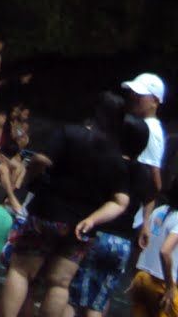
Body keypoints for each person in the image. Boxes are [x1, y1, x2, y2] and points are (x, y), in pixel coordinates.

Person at [0, 91, 133, 317]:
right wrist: (92, 219)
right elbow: (121, 201)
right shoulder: (116, 157)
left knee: (21, 271)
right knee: (59, 284)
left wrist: (30, 175)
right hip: (81, 230)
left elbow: (42, 159)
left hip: (46, 213)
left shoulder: (70, 133)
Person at [68, 112, 150, 317]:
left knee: (72, 295)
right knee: (97, 304)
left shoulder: (107, 162)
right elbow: (149, 199)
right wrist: (145, 226)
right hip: (122, 243)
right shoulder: (144, 173)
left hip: (97, 233)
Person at [123, 74, 167, 233]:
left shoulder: (150, 130)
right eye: (132, 93)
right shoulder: (138, 125)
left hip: (126, 214)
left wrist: (145, 220)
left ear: (155, 101)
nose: (133, 97)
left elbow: (154, 180)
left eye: (140, 95)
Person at [128, 194, 178, 317]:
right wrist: (170, 287)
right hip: (162, 283)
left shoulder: (159, 210)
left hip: (142, 276)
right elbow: (165, 251)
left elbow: (142, 244)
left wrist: (135, 274)